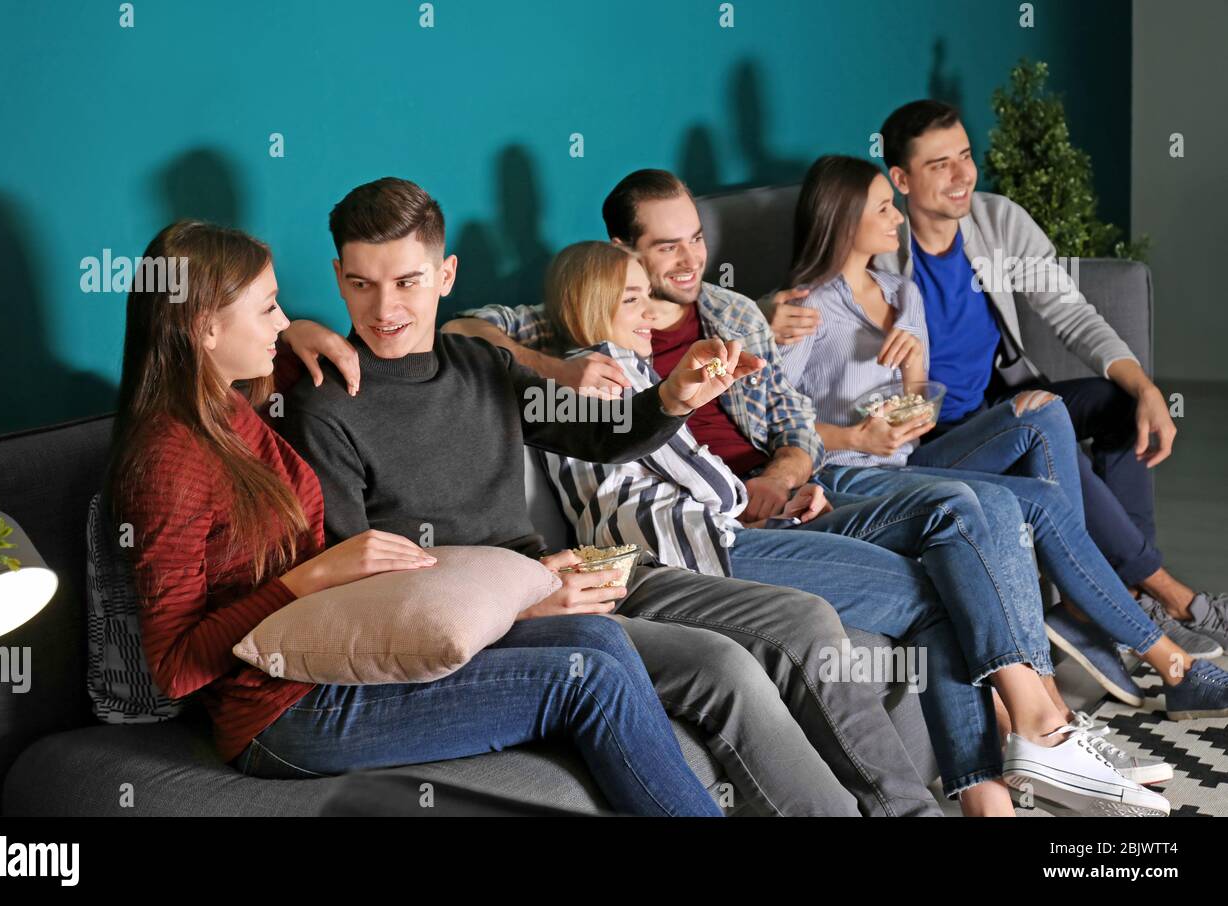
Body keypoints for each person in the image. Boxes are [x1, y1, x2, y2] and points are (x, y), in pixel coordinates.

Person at [278, 176, 947, 817]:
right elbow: (361, 576)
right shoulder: (325, 406)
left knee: (804, 619)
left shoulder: (481, 365)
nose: (385, 307)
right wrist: (524, 593)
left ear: (445, 275)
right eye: (362, 285)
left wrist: (673, 398)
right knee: (723, 667)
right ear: (338, 277)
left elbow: (598, 435)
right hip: (489, 614)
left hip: (574, 572)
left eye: (407, 281)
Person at [534, 237, 1172, 816]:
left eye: (649, 296)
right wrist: (756, 489)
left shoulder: (623, 371)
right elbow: (709, 485)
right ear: (590, 303)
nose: (652, 312)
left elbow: (706, 480)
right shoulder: (603, 373)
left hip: (730, 531)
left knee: (959, 520)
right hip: (701, 556)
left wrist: (780, 495)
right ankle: (1030, 740)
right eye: (633, 299)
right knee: (940, 574)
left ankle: (1014, 761)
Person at [107, 219, 722, 817]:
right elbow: (174, 666)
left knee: (600, 638)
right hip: (280, 714)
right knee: (585, 677)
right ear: (206, 327)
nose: (285, 320)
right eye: (270, 308)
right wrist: (311, 578)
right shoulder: (170, 460)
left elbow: (314, 349)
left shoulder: (239, 396)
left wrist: (302, 334)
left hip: (324, 656)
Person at [765, 153, 1228, 725]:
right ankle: (1168, 660)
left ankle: (1094, 618)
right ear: (843, 221)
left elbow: (920, 414)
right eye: (884, 207)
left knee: (1042, 414)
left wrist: (913, 376)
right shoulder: (805, 308)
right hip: (844, 473)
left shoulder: (898, 290)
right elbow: (775, 422)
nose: (897, 219)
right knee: (1040, 502)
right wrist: (853, 433)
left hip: (908, 461)